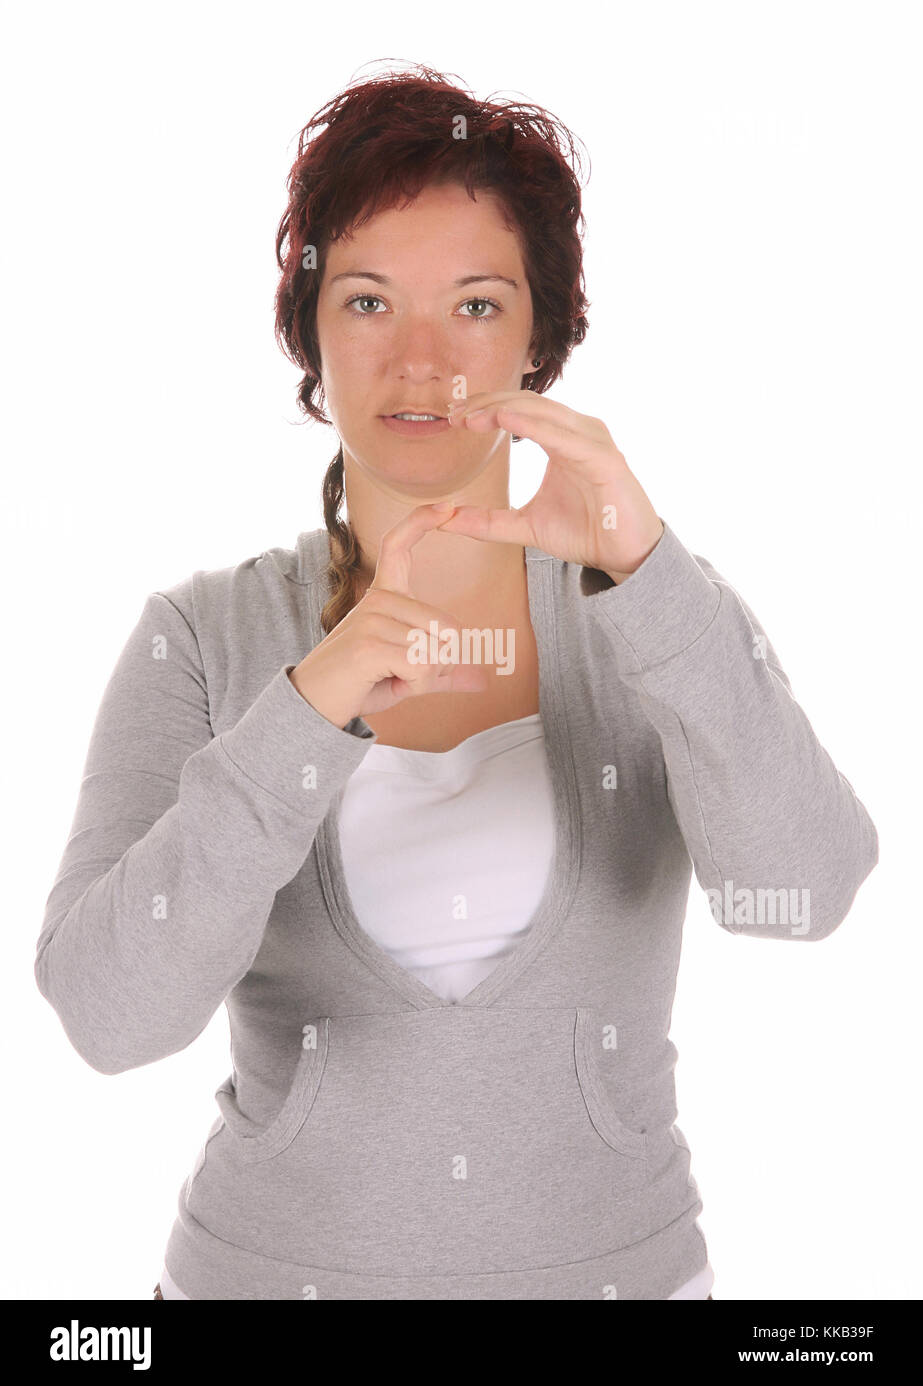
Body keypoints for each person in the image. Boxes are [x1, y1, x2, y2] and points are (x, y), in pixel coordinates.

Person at [35, 63, 878, 1301]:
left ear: (541, 336)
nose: (422, 360)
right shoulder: (199, 635)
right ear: (311, 335)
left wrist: (650, 577)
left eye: (475, 307)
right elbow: (111, 1018)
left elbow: (802, 895)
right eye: (370, 301)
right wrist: (309, 707)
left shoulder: (653, 616)